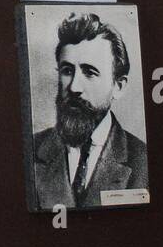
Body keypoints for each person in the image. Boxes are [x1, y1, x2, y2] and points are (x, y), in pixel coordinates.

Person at [30, 12, 147, 210]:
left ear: (118, 86)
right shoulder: (31, 149)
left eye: (89, 72)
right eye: (67, 71)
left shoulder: (143, 161)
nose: (74, 87)